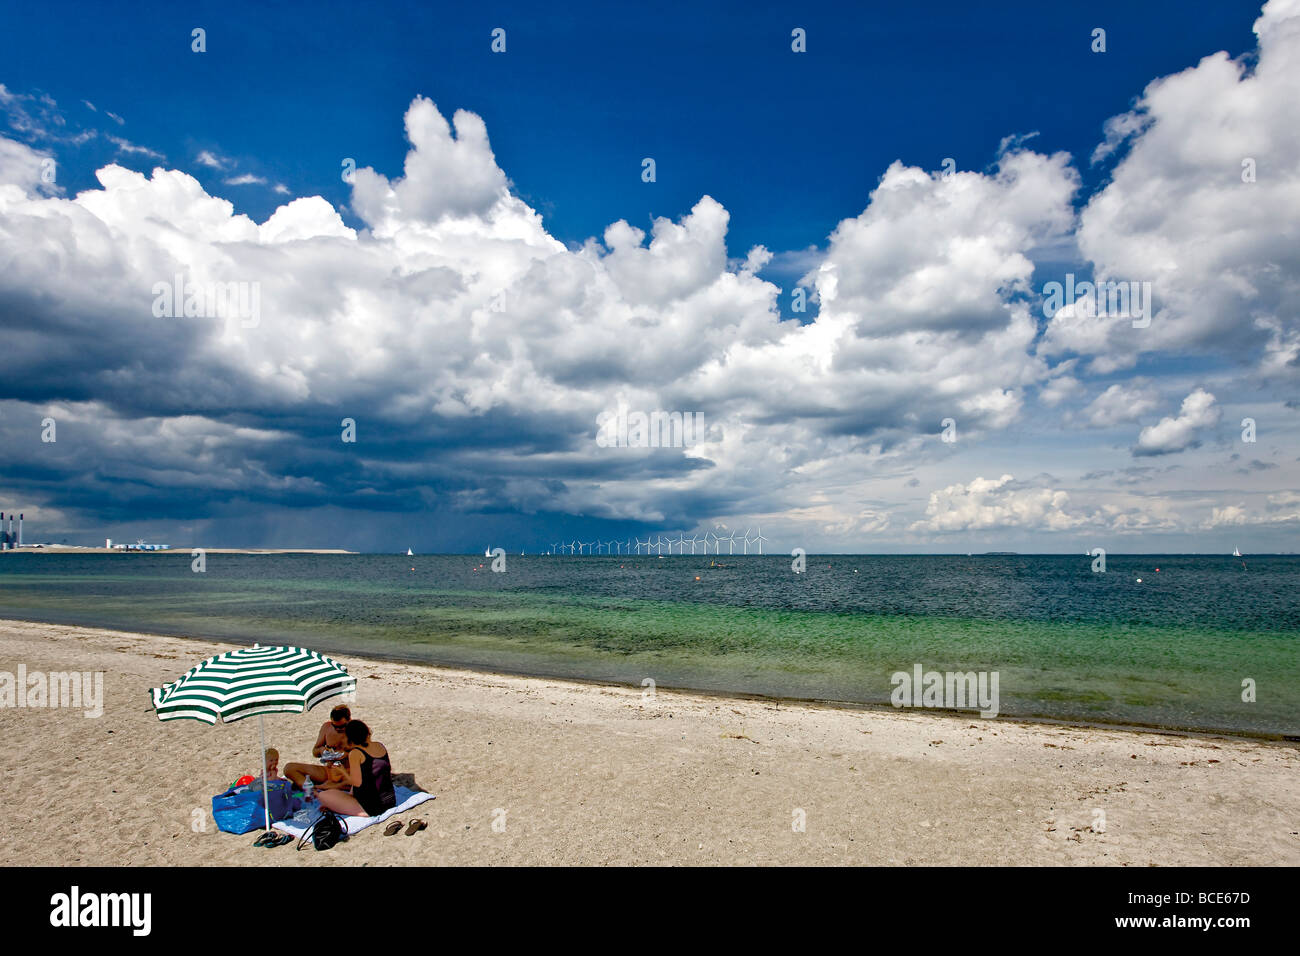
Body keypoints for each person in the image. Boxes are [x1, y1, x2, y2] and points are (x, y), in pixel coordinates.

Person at [316, 720, 396, 818]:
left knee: (323, 796)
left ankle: (361, 812)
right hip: (390, 800)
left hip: (373, 807)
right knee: (337, 792)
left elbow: (355, 782)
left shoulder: (356, 753)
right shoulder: (379, 745)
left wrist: (342, 771)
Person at [284, 705, 351, 789]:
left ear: (349, 720)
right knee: (289, 768)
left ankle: (328, 787)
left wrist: (346, 754)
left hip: (349, 772)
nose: (338, 729)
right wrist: (321, 751)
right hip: (329, 771)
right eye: (335, 726)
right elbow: (314, 752)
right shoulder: (327, 727)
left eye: (341, 727)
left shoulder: (357, 728)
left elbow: (366, 752)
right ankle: (312, 790)